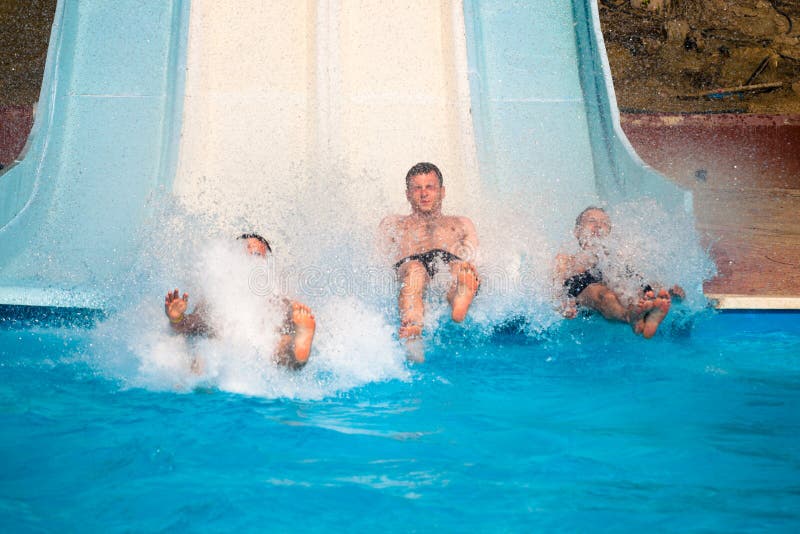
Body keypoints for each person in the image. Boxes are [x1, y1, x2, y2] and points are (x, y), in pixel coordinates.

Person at [163, 233, 316, 369]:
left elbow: (292, 321)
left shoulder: (278, 303)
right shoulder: (216, 299)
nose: (249, 259)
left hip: (262, 358)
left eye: (256, 255)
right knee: (202, 353)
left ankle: (300, 347)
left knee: (281, 344)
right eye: (244, 255)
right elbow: (187, 328)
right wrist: (177, 318)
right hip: (223, 360)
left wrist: (299, 327)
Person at [379, 162, 480, 347]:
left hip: (448, 262)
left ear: (442, 191)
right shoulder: (393, 224)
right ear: (408, 194)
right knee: (415, 271)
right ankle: (413, 323)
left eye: (430, 187)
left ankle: (459, 299)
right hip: (409, 265)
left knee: (459, 268)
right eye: (417, 188)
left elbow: (473, 256)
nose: (424, 193)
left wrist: (472, 272)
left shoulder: (461, 223)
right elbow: (380, 261)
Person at [554, 206, 684, 338]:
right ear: (577, 231)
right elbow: (555, 289)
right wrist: (562, 306)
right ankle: (630, 316)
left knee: (636, 290)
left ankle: (651, 310)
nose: (598, 225)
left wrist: (667, 292)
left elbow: (640, 281)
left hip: (613, 283)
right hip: (583, 289)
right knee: (605, 295)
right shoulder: (567, 259)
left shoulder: (617, 260)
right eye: (592, 221)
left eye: (604, 223)